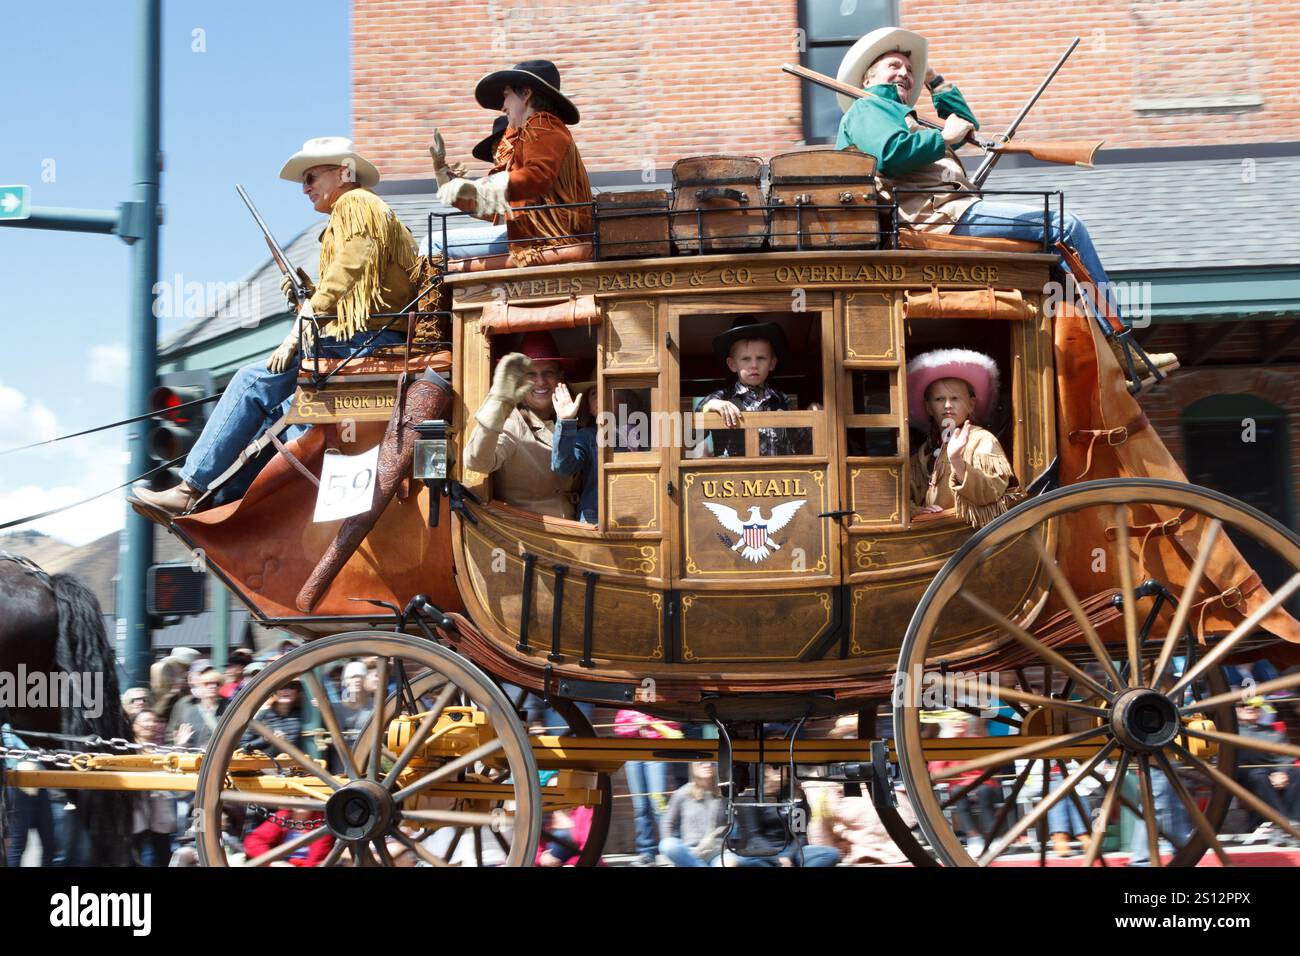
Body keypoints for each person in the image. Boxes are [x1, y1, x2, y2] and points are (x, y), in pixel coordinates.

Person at [834, 28, 1177, 380]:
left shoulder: (901, 115)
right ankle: (1120, 344)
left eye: (910, 68)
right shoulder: (868, 107)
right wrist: (942, 137)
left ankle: (1092, 353)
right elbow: (891, 155)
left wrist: (935, 81)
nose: (905, 73)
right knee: (1065, 226)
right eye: (894, 65)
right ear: (869, 76)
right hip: (936, 217)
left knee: (1058, 257)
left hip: (948, 211)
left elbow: (967, 125)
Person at [130, 136, 417, 517]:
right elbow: (358, 291)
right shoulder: (358, 213)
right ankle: (238, 501)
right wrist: (305, 293)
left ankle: (191, 488)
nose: (306, 187)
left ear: (345, 172)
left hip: (368, 344)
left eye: (313, 175)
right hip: (369, 338)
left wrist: (299, 329)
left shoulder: (357, 204)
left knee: (252, 382)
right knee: (278, 405)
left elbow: (347, 273)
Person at [432, 60, 592, 266]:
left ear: (526, 94)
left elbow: (537, 176)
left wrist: (479, 187)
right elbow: (495, 205)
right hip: (537, 236)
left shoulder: (543, 123)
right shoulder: (537, 131)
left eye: (506, 95)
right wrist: (448, 182)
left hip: (542, 239)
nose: (502, 106)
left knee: (434, 244)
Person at [463, 331, 581, 519]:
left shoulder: (577, 416)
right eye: (531, 375)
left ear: (561, 376)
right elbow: (477, 462)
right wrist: (498, 402)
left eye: (548, 372)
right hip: (529, 533)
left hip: (578, 530)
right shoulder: (512, 422)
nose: (540, 381)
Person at [906, 349, 1017, 528]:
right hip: (930, 535)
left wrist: (957, 461)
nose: (947, 405)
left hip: (965, 538)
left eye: (955, 398)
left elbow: (991, 494)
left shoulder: (982, 440)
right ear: (928, 407)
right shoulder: (925, 451)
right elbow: (901, 495)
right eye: (939, 399)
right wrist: (915, 510)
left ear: (971, 404)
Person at [698, 317, 812, 458]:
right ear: (732, 364)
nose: (754, 365)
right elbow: (690, 437)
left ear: (772, 363)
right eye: (745, 359)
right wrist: (710, 405)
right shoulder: (721, 397)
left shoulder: (782, 399)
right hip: (733, 478)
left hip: (778, 476)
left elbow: (802, 443)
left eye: (761, 358)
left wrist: (813, 418)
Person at [614, 709, 682, 866]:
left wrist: (650, 724)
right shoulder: (629, 701)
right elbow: (618, 726)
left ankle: (670, 848)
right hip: (634, 754)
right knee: (640, 807)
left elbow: (674, 724)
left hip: (656, 751)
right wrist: (637, 724)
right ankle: (646, 851)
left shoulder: (658, 700)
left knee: (658, 803)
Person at [129, 710, 177, 866]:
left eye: (153, 721)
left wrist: (180, 746)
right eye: (145, 721)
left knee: (162, 851)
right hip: (135, 807)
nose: (150, 725)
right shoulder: (126, 750)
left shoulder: (163, 751)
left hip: (160, 805)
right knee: (135, 851)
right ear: (133, 725)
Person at [659, 762, 728, 867]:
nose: (707, 765)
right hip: (690, 852)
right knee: (667, 844)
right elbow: (667, 821)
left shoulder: (725, 793)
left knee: (729, 863)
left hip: (717, 852)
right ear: (692, 766)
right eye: (701, 763)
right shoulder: (683, 792)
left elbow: (739, 821)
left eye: (713, 763)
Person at [551, 381, 597, 524]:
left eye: (610, 388)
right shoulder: (587, 436)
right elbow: (563, 467)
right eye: (595, 394)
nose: (602, 397)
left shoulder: (644, 435)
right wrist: (566, 421)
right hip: (595, 519)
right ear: (589, 407)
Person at [167, 665, 228, 750]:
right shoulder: (190, 712)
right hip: (196, 757)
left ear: (220, 686)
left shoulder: (228, 709)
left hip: (220, 757)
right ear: (200, 686)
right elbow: (181, 741)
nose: (212, 686)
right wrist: (180, 744)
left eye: (217, 683)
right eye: (207, 683)